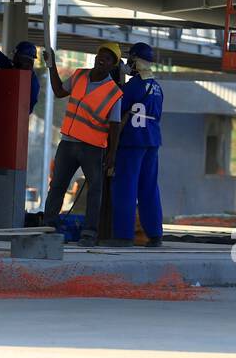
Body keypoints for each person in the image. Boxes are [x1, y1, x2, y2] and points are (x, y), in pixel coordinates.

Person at [41, 42, 125, 246]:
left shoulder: (114, 93)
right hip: (68, 143)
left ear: (112, 65)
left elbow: (114, 127)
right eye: (100, 55)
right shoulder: (79, 75)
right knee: (57, 186)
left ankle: (89, 234)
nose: (101, 59)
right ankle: (48, 227)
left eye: (107, 58)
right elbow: (60, 92)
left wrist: (112, 155)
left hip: (93, 148)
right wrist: (51, 66)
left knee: (95, 190)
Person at [110, 42, 163, 247]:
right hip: (152, 140)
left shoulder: (133, 86)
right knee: (149, 187)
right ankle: (155, 234)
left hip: (132, 141)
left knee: (126, 187)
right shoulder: (157, 87)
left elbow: (118, 110)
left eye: (130, 60)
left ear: (136, 61)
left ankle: (123, 235)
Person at [0, 40, 40, 114]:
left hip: (10, 119)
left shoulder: (32, 83)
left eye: (16, 56)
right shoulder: (14, 68)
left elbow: (24, 109)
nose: (14, 59)